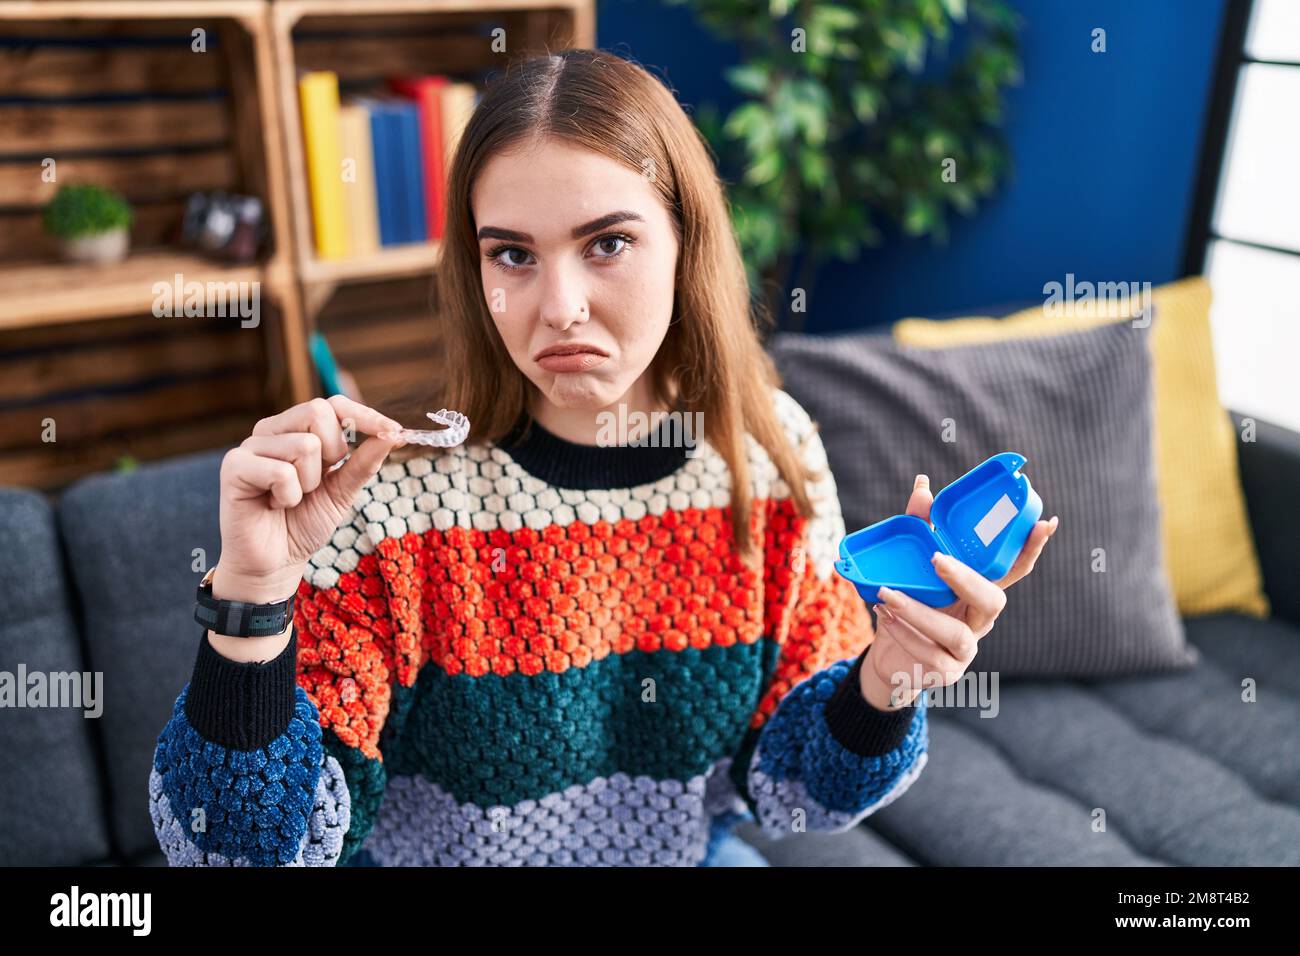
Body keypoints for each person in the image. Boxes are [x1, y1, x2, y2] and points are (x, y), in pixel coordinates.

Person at [148, 49, 1057, 867]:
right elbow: (241, 854)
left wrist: (887, 680)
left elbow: (795, 789)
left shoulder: (769, 456)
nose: (562, 307)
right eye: (512, 255)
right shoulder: (391, 508)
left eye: (608, 243)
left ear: (685, 245)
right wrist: (251, 603)